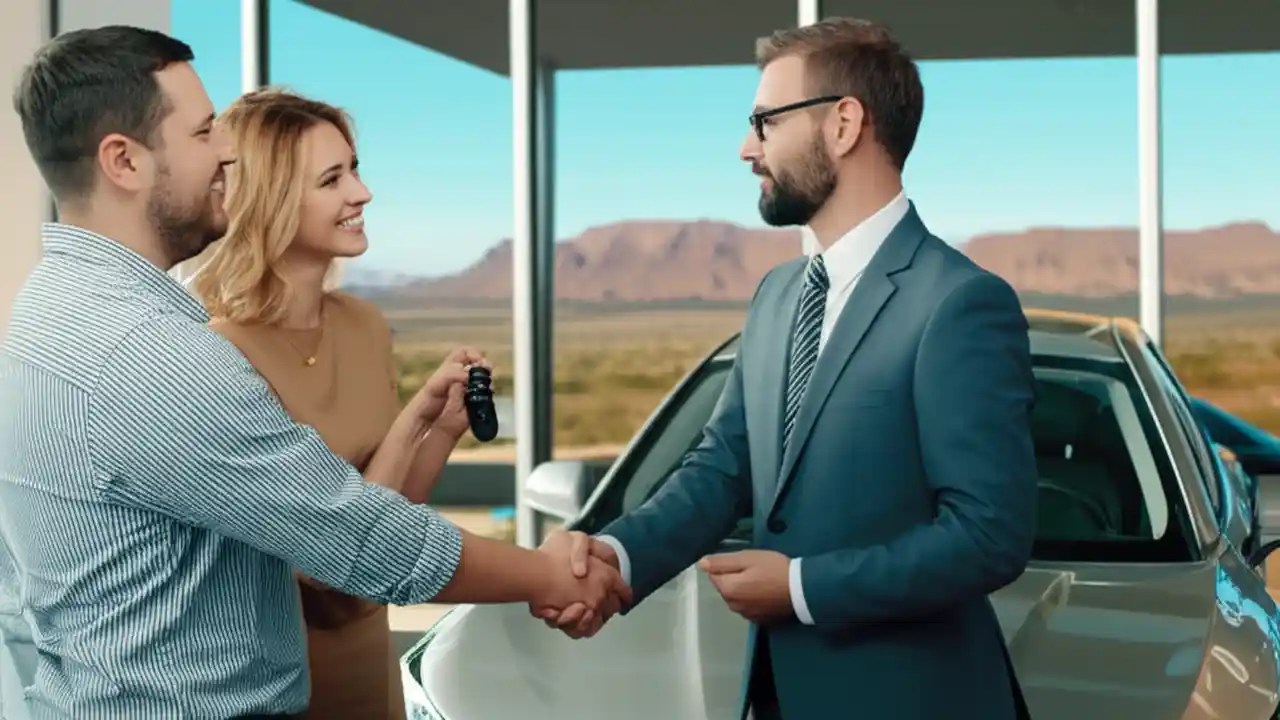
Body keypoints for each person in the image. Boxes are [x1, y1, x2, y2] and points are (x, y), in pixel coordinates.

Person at [0, 25, 628, 720]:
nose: (228, 151)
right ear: (123, 161)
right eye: (205, 132)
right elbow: (357, 539)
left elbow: (21, 599)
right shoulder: (154, 356)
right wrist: (546, 572)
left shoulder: (43, 319)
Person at [538, 17, 1037, 720]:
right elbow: (721, 468)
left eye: (764, 121)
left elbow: (988, 535)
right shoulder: (777, 296)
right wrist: (615, 560)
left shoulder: (960, 303)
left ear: (843, 124)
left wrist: (803, 588)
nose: (746, 148)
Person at [184, 88, 472, 720]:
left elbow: (392, 519)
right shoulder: (216, 352)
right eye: (332, 179)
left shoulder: (365, 325)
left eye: (356, 169)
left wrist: (441, 430)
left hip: (371, 674)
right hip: (274, 688)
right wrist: (409, 427)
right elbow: (325, 566)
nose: (361, 194)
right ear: (273, 195)